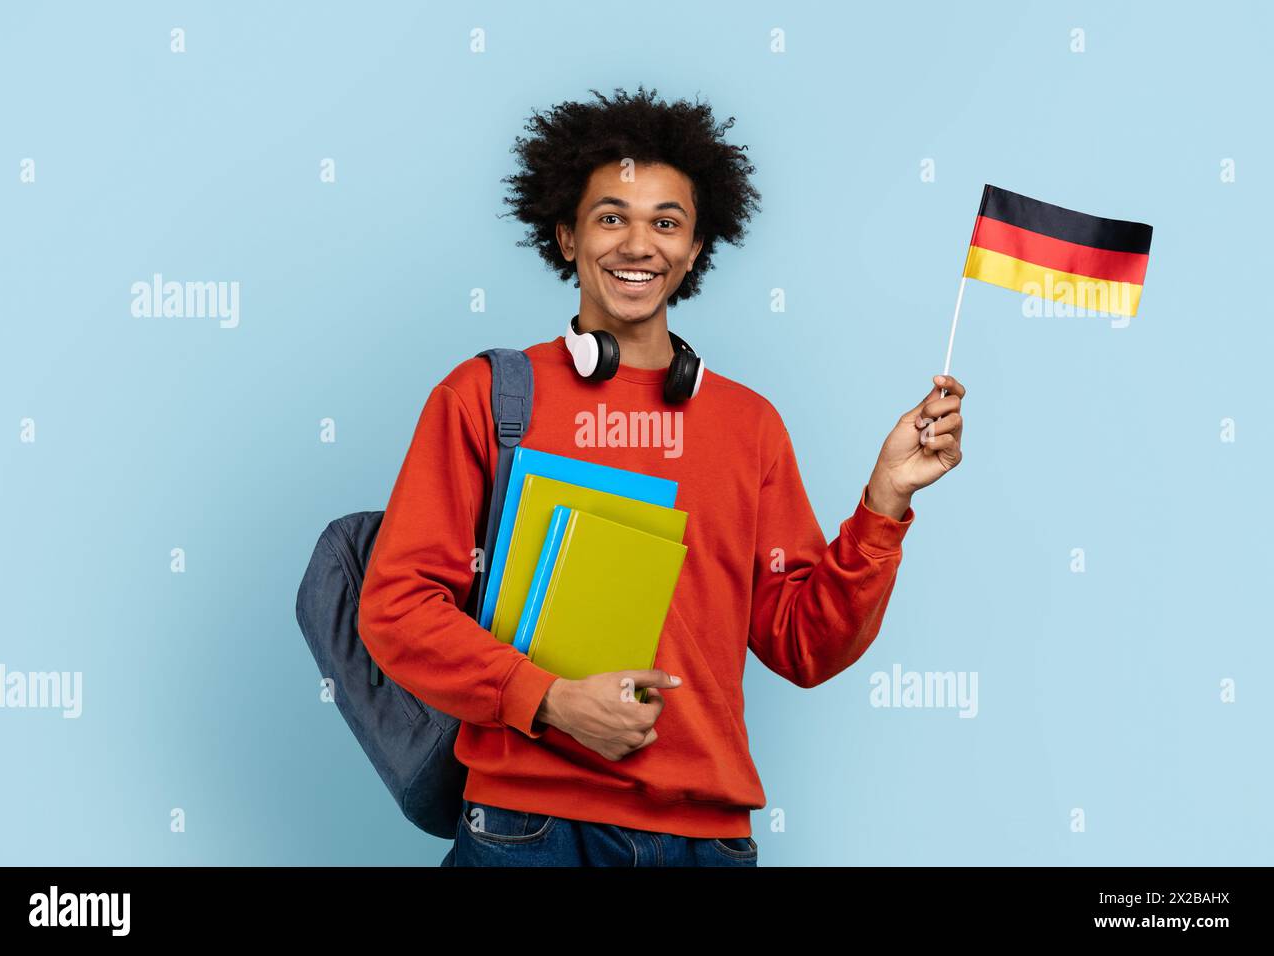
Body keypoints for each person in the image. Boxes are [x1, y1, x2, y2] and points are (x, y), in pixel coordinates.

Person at [357, 86, 966, 867]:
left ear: (695, 248)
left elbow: (805, 645)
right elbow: (398, 608)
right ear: (566, 237)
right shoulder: (484, 399)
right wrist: (549, 701)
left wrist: (885, 502)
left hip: (708, 840)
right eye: (610, 217)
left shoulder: (748, 425)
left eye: (665, 223)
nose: (637, 244)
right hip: (528, 833)